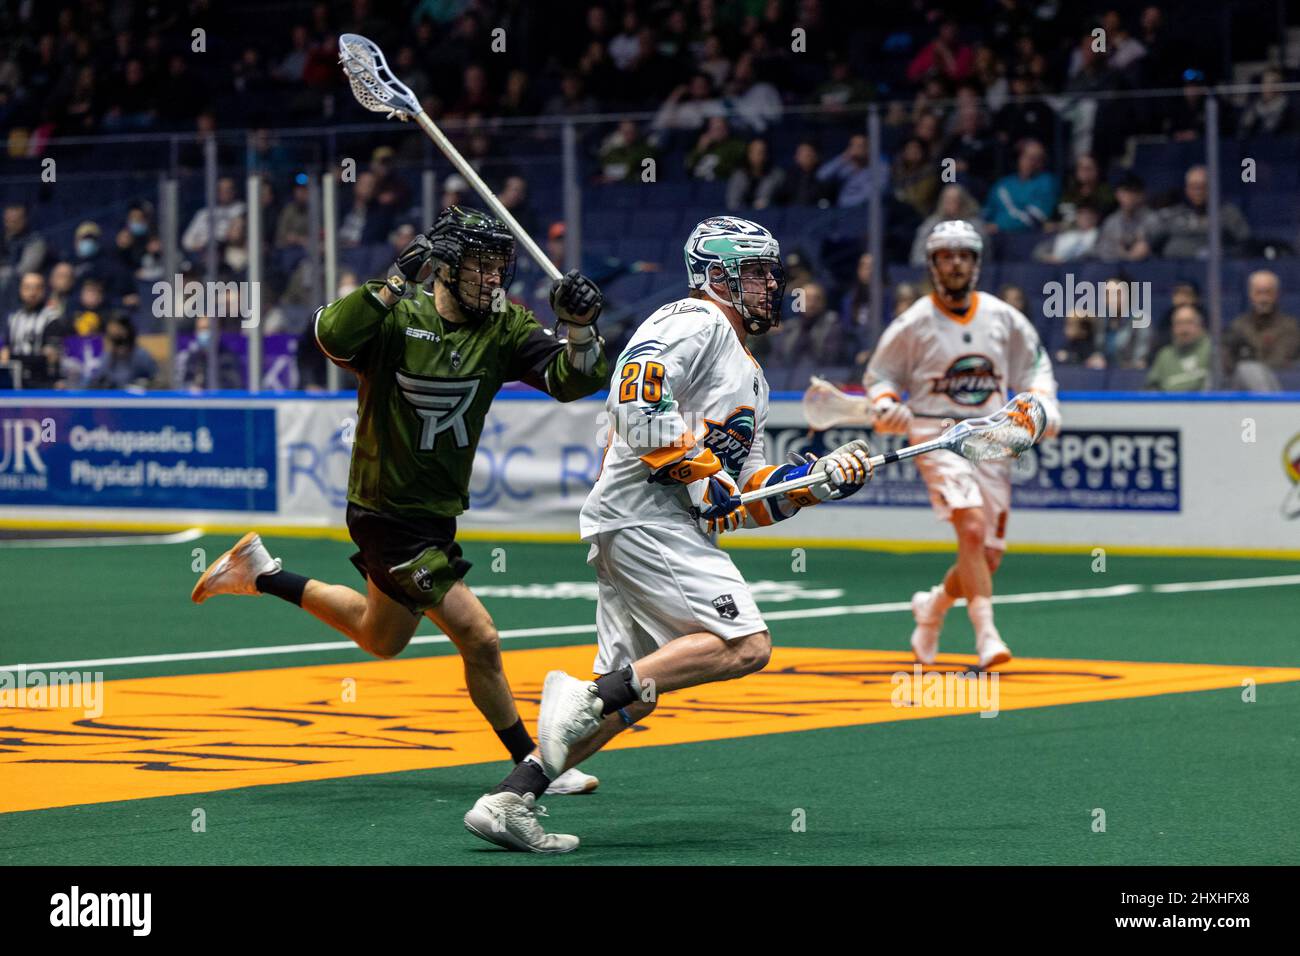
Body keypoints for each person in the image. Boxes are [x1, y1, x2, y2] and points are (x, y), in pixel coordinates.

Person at [462, 216, 874, 852]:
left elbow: (739, 500)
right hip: (644, 517)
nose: (773, 285)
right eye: (759, 273)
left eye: (771, 273)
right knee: (746, 645)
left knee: (637, 693)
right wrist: (704, 475)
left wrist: (813, 482)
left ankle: (510, 799)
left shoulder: (752, 378)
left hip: (652, 524)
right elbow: (633, 398)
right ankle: (585, 696)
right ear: (719, 277)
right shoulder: (692, 320)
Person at [191, 206, 609, 797]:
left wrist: (582, 328)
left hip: (435, 515)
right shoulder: (395, 317)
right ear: (443, 267)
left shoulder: (505, 326)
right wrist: (392, 281)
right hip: (385, 512)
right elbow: (329, 335)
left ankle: (260, 574)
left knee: (379, 637)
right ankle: (535, 764)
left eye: (499, 267)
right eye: (480, 267)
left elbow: (575, 381)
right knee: (481, 637)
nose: (493, 280)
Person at [865, 221, 1061, 670]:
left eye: (964, 255)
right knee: (970, 528)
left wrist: (1043, 407)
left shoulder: (1003, 317)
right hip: (935, 434)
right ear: (932, 264)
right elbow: (881, 376)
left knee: (986, 556)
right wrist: (886, 403)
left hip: (992, 437)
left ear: (975, 263)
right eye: (946, 255)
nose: (955, 263)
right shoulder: (913, 322)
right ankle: (987, 636)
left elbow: (1035, 370)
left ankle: (932, 608)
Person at [1221, 269, 1300, 389]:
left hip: (1282, 388)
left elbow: (1281, 362)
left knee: (1248, 368)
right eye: (1259, 292)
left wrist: (1249, 357)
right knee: (1245, 370)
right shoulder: (1238, 326)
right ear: (1250, 294)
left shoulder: (1291, 327)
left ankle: (1267, 405)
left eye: (1268, 292)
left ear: (1276, 294)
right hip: (1245, 393)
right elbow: (1227, 364)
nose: (1263, 299)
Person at [1146, 305, 1210, 392]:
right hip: (1169, 405)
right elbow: (1150, 389)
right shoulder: (1165, 355)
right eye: (1179, 323)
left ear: (1199, 326)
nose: (1184, 329)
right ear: (1172, 328)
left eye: (1189, 322)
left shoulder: (1212, 350)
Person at [87, 315, 158, 389]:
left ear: (127, 331)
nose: (115, 333)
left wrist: (144, 385)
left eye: (118, 330)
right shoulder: (107, 357)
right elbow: (96, 379)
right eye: (111, 331)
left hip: (135, 398)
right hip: (111, 398)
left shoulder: (141, 355)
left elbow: (156, 380)